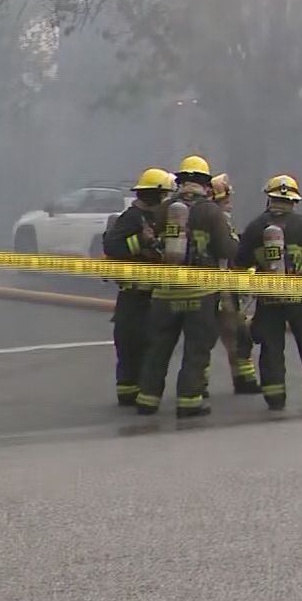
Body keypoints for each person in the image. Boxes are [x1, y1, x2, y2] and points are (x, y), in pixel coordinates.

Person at [132, 156, 225, 418]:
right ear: (205, 183)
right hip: (200, 293)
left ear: (181, 181)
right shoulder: (211, 211)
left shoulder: (164, 209)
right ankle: (189, 401)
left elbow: (148, 240)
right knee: (196, 349)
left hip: (164, 293)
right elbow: (227, 249)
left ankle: (147, 400)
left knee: (158, 348)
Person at [236, 174, 302, 411]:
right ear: (293, 200)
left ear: (269, 198)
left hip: (269, 299)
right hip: (301, 299)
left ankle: (275, 398)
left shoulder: (255, 227)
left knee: (271, 349)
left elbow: (239, 264)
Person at [102, 167, 173, 407]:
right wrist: (142, 242)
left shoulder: (151, 217)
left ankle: (130, 392)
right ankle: (132, 393)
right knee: (138, 344)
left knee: (138, 345)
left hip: (145, 294)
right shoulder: (133, 218)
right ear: (157, 194)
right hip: (136, 295)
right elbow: (113, 246)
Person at [205, 172, 261, 394]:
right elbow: (229, 251)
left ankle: (241, 379)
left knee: (233, 335)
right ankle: (241, 381)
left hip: (218, 286)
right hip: (219, 289)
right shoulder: (217, 221)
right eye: (226, 199)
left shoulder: (208, 220)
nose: (230, 203)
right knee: (233, 334)